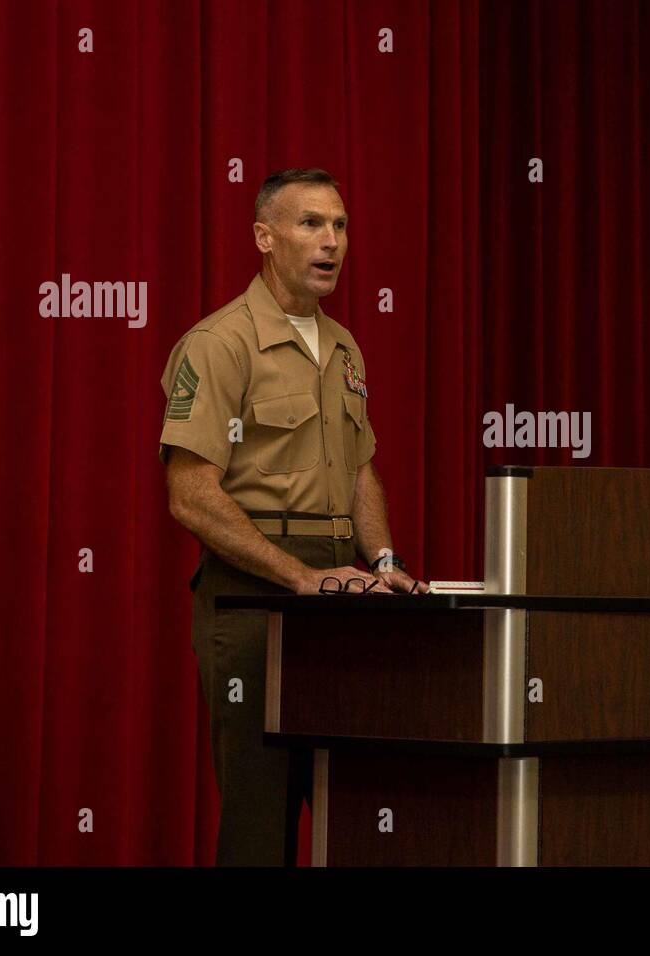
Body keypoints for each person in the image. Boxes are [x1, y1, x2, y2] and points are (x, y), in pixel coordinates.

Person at [159, 167, 428, 866]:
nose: (331, 241)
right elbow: (190, 496)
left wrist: (387, 563)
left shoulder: (344, 347)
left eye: (340, 226)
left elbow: (360, 469)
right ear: (263, 236)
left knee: (359, 816)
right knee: (260, 823)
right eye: (310, 223)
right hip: (255, 602)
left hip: (341, 597)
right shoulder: (219, 343)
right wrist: (298, 578)